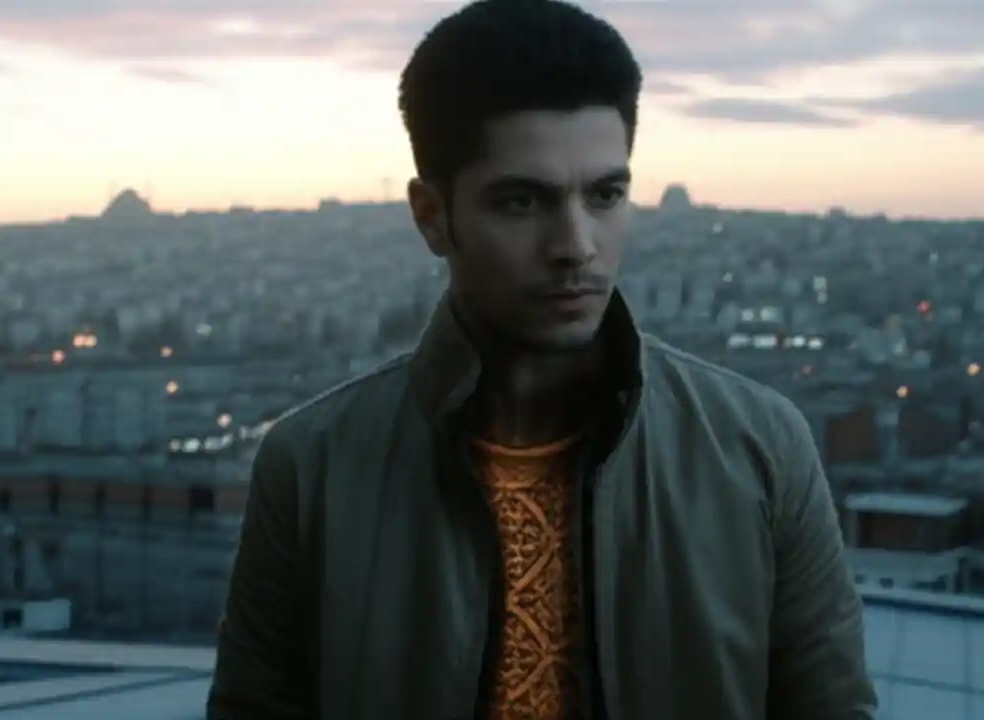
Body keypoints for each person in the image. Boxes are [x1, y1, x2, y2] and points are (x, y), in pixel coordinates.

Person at [207, 0, 877, 718]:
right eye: (523, 201)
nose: (577, 245)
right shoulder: (314, 468)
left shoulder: (759, 449)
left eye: (605, 194)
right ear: (432, 216)